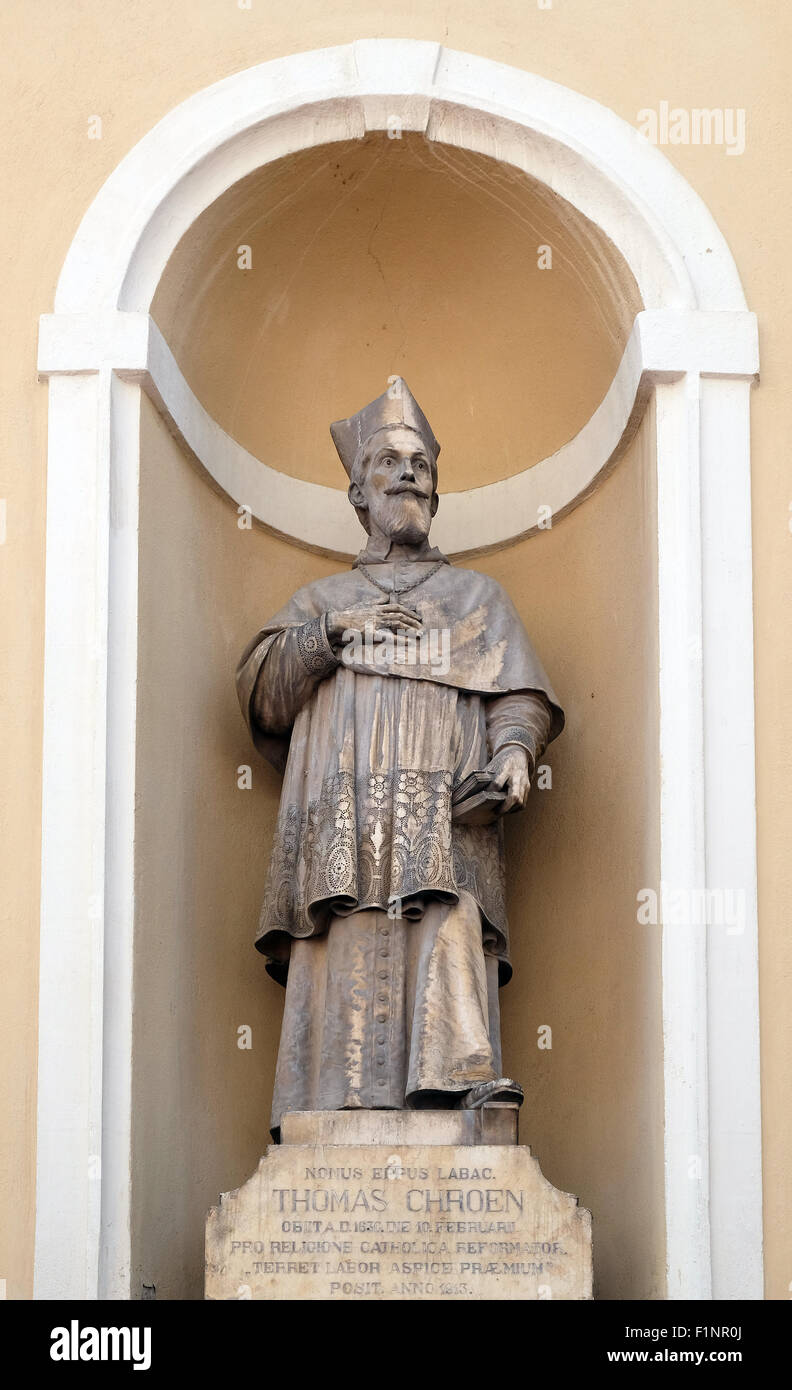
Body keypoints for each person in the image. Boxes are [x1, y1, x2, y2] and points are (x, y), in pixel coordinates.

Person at [237, 379, 564, 1138]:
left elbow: (518, 693)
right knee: (343, 934)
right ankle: (327, 1105)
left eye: (421, 462)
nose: (409, 472)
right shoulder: (319, 601)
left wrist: (515, 751)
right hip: (342, 812)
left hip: (448, 811)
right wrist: (336, 632)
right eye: (389, 460)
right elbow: (264, 698)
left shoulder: (479, 598)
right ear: (358, 489)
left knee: (446, 923)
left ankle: (458, 1087)